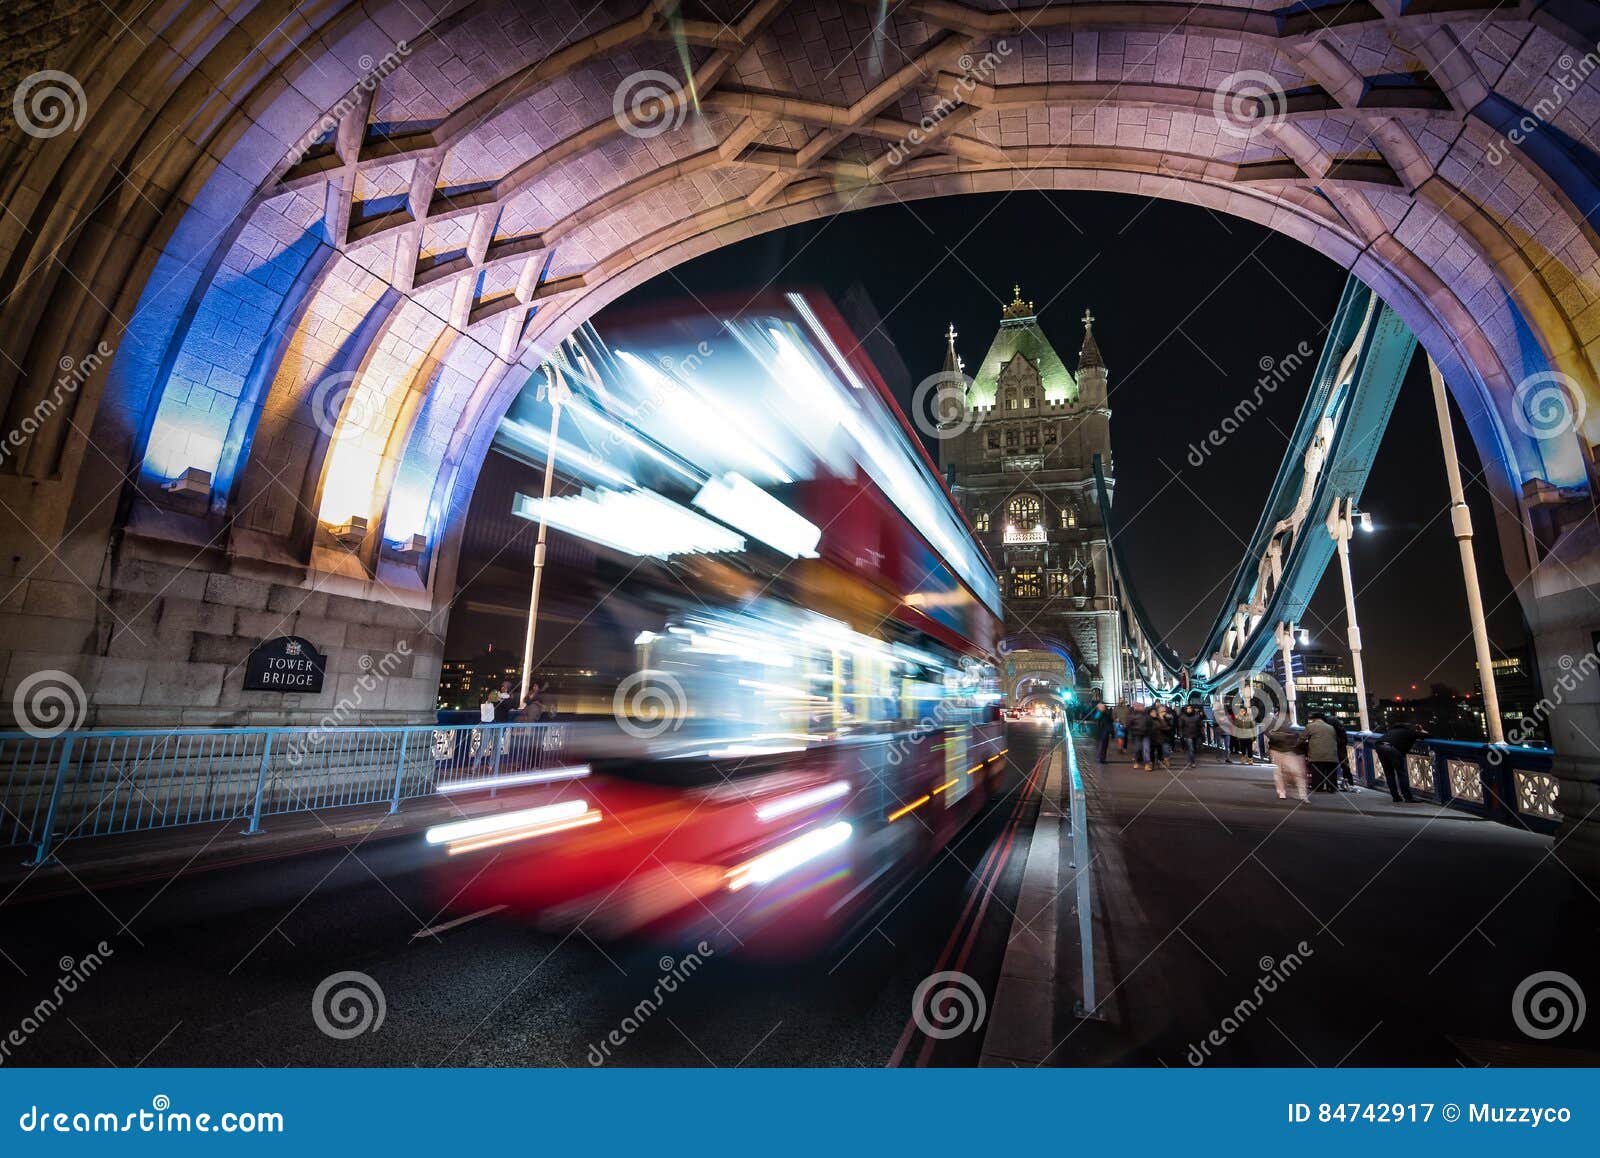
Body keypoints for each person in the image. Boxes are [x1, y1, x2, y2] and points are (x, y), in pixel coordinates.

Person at [1374, 719, 1427, 803]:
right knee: (1401, 773)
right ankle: (1408, 797)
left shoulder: (1391, 731)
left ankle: (1396, 797)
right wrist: (1422, 730)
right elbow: (1428, 735)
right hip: (1391, 750)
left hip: (1379, 746)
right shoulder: (1408, 732)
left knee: (1389, 774)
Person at [1265, 721, 1310, 802]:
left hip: (1281, 751)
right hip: (1288, 752)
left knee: (1281, 773)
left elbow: (1270, 736)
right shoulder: (1294, 729)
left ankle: (1283, 792)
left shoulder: (1276, 727)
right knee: (1296, 773)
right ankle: (1302, 794)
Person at [1304, 713, 1339, 793]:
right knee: (1331, 771)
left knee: (1317, 771)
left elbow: (1302, 738)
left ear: (1314, 719)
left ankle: (1318, 787)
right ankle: (1332, 788)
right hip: (1332, 754)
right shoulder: (1331, 727)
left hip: (1317, 755)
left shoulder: (1310, 726)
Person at [1329, 715, 1354, 790]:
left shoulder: (1330, 730)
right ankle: (1349, 782)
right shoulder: (1342, 729)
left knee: (1331, 766)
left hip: (1334, 749)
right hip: (1342, 749)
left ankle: (1333, 785)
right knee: (1345, 766)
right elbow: (1344, 741)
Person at [1177, 702, 1204, 769]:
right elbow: (1180, 726)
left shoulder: (1196, 716)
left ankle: (1192, 759)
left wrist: (1202, 733)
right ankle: (1192, 762)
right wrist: (1181, 734)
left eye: (1190, 708)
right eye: (1187, 708)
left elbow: (1200, 725)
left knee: (1195, 748)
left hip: (1196, 734)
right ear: (1185, 709)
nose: (1189, 709)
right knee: (1191, 749)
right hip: (1187, 734)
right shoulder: (1182, 717)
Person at [1127, 703, 1154, 770]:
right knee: (1137, 749)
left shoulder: (1147, 716)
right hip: (1137, 735)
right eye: (1141, 706)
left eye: (1143, 706)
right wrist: (1132, 732)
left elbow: (1151, 724)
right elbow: (1129, 725)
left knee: (1146, 749)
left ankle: (1147, 763)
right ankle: (1136, 761)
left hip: (1146, 734)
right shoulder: (1132, 716)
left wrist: (1149, 731)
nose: (1142, 708)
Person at [1153, 705, 1175, 770]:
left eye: (1164, 711)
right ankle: (1160, 761)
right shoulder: (1156, 718)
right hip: (1157, 737)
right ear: (1158, 711)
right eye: (1162, 711)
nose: (1164, 712)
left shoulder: (1168, 718)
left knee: (1166, 750)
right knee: (1159, 751)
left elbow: (1171, 726)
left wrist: (1169, 726)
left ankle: (1166, 760)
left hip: (1166, 736)